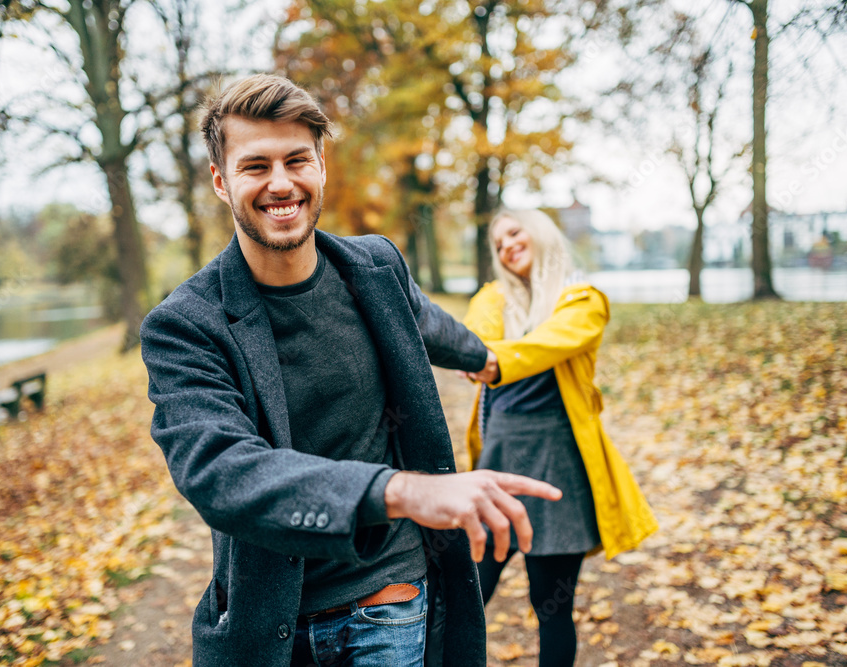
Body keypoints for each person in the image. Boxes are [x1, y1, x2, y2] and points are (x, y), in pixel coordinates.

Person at [139, 74, 561, 667]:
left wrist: (485, 360)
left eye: (297, 160)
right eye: (255, 166)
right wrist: (403, 491)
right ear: (221, 181)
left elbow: (426, 322)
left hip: (389, 598)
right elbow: (219, 470)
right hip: (268, 626)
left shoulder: (374, 266)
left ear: (321, 168)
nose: (281, 183)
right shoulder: (185, 324)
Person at [460, 209, 658, 667]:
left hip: (559, 474)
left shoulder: (582, 300)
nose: (506, 245)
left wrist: (492, 361)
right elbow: (476, 338)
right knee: (466, 596)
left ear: (540, 232)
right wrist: (478, 354)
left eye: (514, 232)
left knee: (552, 609)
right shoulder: (493, 298)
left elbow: (549, 344)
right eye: (498, 242)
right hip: (501, 464)